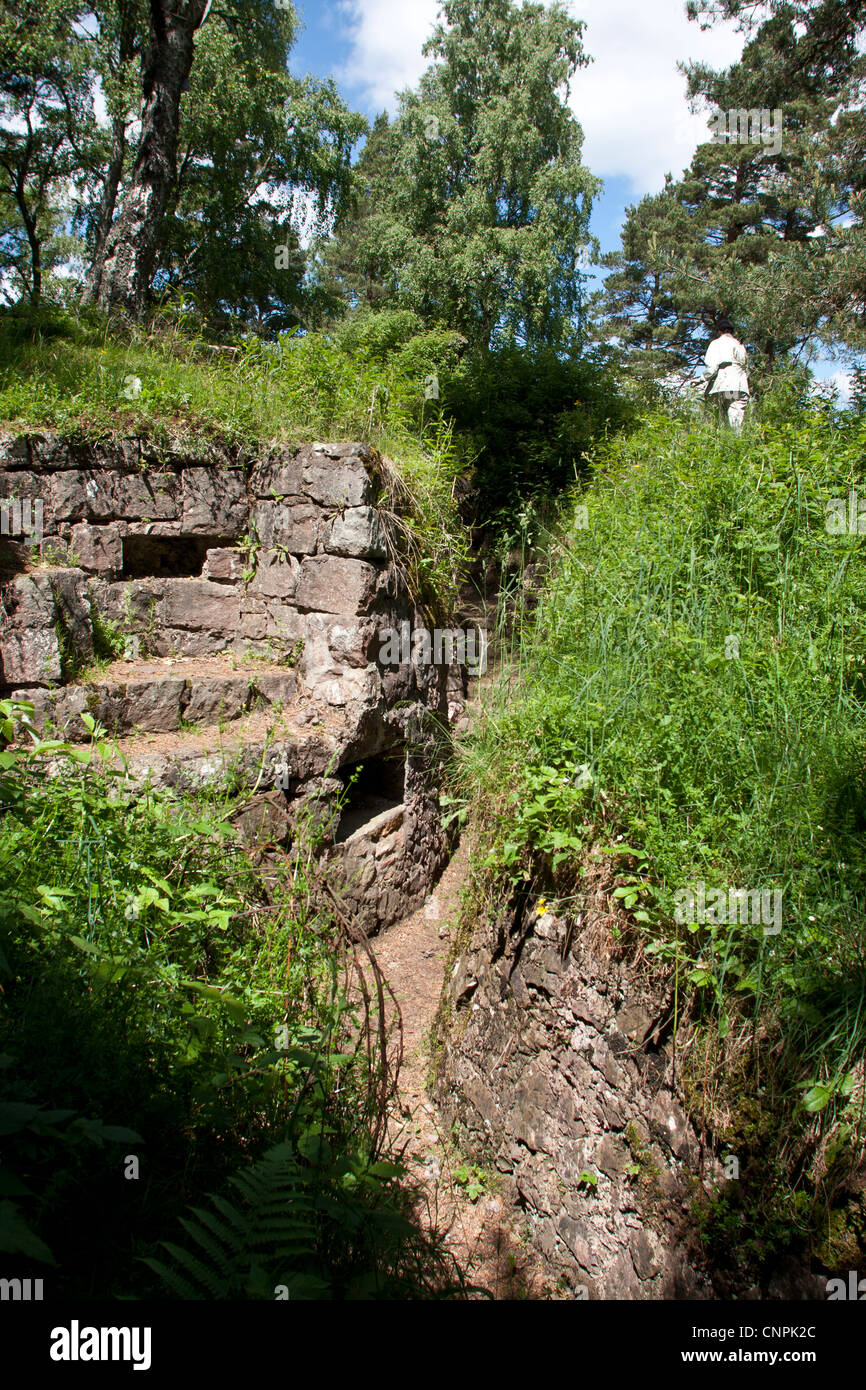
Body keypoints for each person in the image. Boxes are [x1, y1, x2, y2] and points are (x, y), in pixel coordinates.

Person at [704, 317, 750, 434]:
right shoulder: (740, 346)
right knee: (735, 418)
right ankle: (736, 444)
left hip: (721, 386)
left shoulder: (716, 343)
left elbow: (712, 367)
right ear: (731, 332)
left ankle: (717, 443)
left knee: (715, 418)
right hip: (738, 386)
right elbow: (745, 367)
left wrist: (702, 379)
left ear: (719, 331)